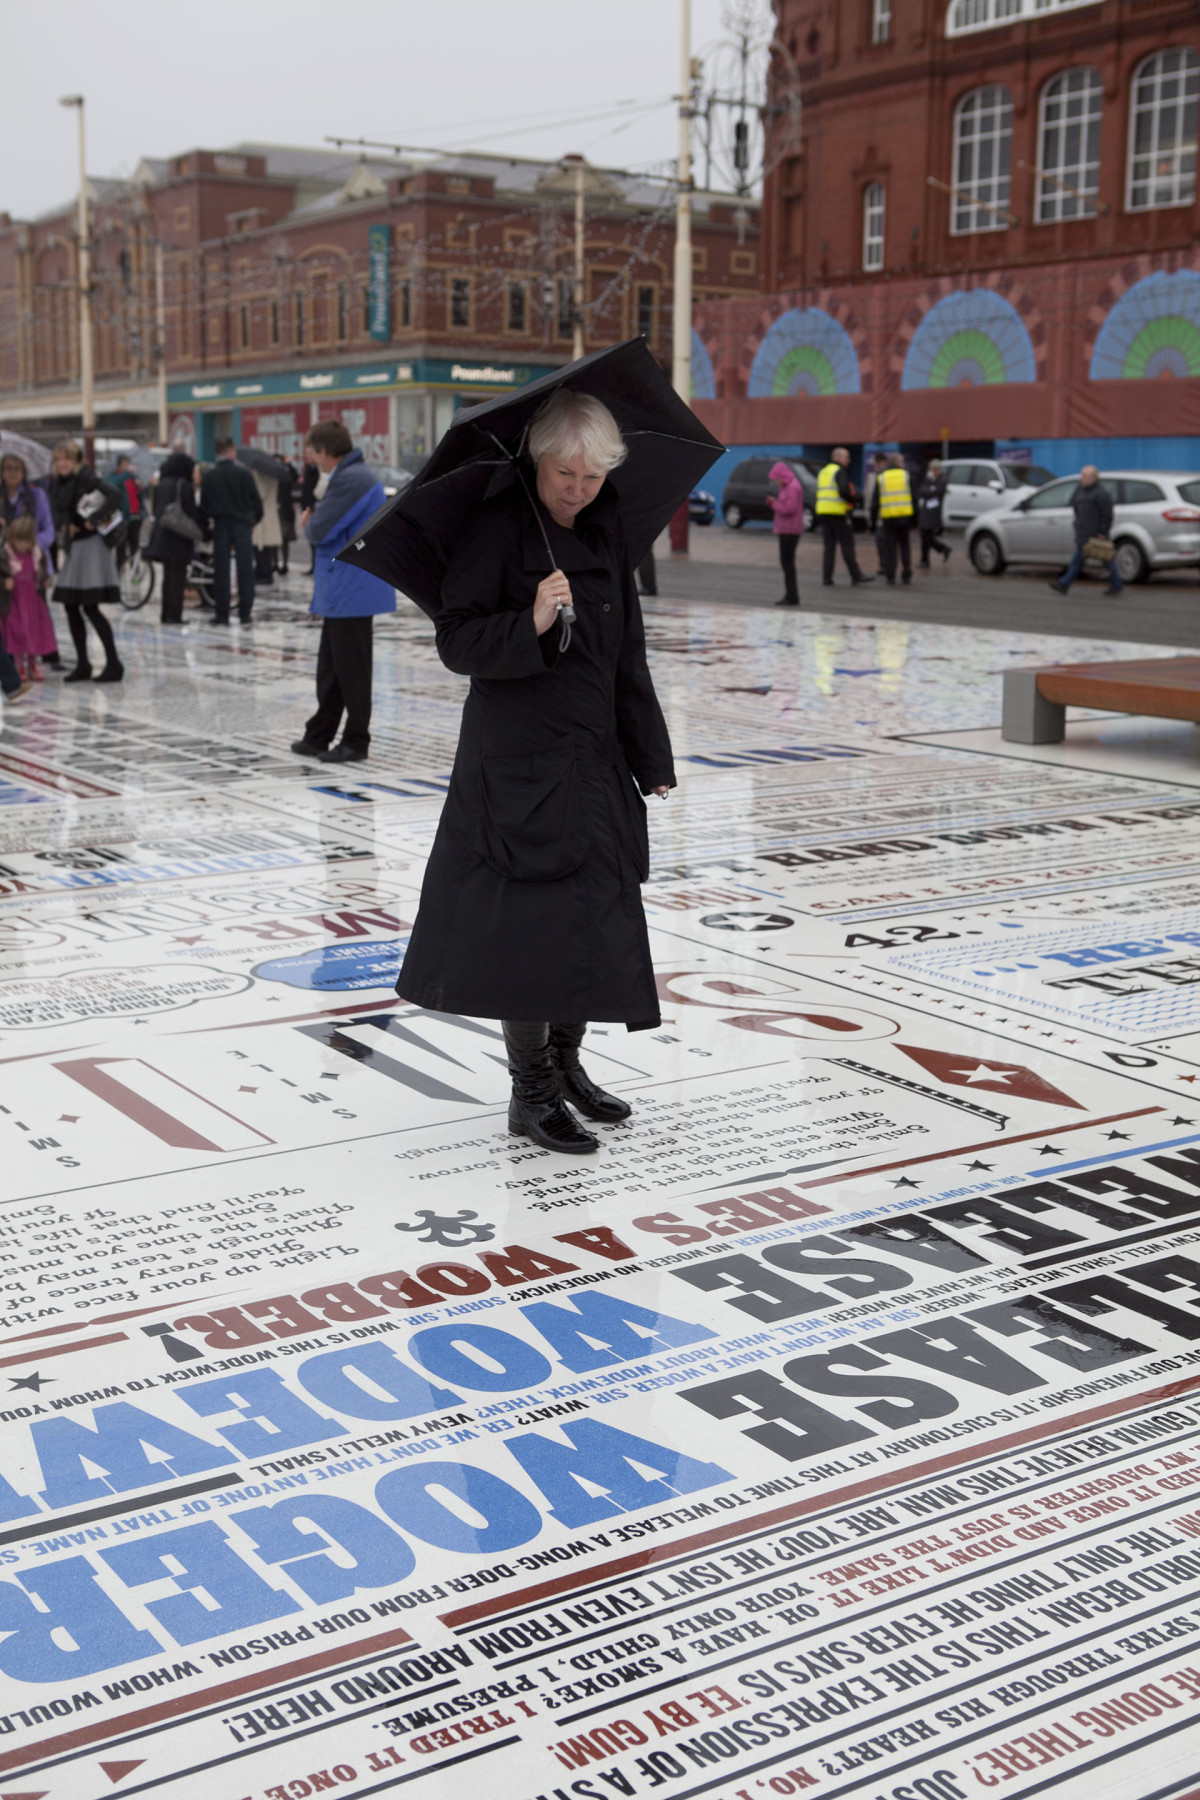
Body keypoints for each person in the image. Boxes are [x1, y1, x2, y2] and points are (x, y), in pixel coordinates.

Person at [396, 387, 674, 1156]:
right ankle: (531, 1093)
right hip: (517, 764)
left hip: (593, 757)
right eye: (565, 476)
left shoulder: (607, 525)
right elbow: (457, 643)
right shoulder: (495, 526)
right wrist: (531, 622)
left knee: (590, 917)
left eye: (591, 477)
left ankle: (567, 1066)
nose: (578, 491)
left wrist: (648, 753)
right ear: (538, 459)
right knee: (530, 930)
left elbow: (628, 655)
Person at [290, 419, 391, 765]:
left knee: (352, 671)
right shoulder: (350, 477)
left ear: (325, 451)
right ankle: (319, 734)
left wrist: (309, 521)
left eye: (313, 453)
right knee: (332, 669)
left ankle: (356, 740)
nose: (312, 460)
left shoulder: (351, 480)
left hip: (352, 588)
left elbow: (319, 529)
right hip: (345, 587)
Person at [49, 439, 124, 683]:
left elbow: (115, 495)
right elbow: (61, 510)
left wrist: (94, 518)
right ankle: (83, 663)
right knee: (71, 606)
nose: (62, 463)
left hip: (91, 547)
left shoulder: (86, 479)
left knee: (89, 606)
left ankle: (113, 663)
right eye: (58, 459)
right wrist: (66, 525)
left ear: (76, 460)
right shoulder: (60, 483)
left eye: (67, 458)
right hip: (75, 548)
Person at [199, 438, 261, 623]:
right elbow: (258, 505)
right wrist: (251, 522)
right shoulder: (244, 474)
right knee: (245, 570)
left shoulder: (210, 476)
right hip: (242, 525)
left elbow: (203, 507)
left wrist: (207, 532)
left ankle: (222, 613)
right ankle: (245, 612)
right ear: (231, 451)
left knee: (221, 570)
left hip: (221, 525)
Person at [146, 451, 208, 624]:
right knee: (178, 578)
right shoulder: (183, 484)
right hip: (178, 537)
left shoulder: (162, 484)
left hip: (162, 535)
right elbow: (192, 512)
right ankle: (175, 616)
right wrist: (204, 531)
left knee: (168, 578)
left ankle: (166, 614)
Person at [1049, 466, 1123, 597]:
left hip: (1095, 535)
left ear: (1092, 478)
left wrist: (1102, 532)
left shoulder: (1101, 494)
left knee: (1104, 560)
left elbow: (1107, 515)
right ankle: (1064, 584)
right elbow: (1077, 510)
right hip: (1083, 533)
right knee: (1082, 561)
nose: (1081, 478)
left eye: (1084, 476)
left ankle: (1064, 584)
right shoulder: (1081, 492)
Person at [1, 515, 57, 680]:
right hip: (15, 602)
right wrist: (4, 582)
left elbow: (42, 573)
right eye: (19, 540)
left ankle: (33, 664)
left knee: (34, 632)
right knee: (18, 633)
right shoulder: (5, 556)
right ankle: (19, 666)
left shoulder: (36, 556)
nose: (23, 545)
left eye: (26, 541)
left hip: (32, 602)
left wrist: (45, 580)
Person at [816, 448, 872, 587]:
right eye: (847, 457)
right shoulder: (839, 471)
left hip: (824, 512)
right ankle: (856, 575)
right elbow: (844, 491)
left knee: (829, 547)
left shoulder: (823, 471)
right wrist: (856, 499)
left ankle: (827, 577)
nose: (849, 461)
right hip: (838, 513)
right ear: (839, 458)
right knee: (847, 545)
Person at [871, 451, 915, 585]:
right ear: (899, 463)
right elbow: (914, 498)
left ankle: (890, 575)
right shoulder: (906, 476)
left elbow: (875, 502)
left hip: (888, 518)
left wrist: (873, 522)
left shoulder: (882, 477)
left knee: (890, 549)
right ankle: (906, 573)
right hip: (904, 518)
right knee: (905, 547)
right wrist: (915, 520)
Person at [1, 454, 55, 557]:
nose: (12, 473)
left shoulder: (37, 495)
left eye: (17, 468)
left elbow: (49, 530)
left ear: (24, 473)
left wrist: (29, 543)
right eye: (8, 468)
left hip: (33, 557)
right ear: (2, 473)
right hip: (4, 559)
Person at [767, 459, 805, 606]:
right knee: (786, 563)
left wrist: (774, 503)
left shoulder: (792, 487)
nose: (775, 481)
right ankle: (790, 594)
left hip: (790, 530)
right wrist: (776, 501)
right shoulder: (787, 486)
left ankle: (792, 595)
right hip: (785, 528)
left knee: (787, 562)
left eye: (776, 477)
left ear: (782, 475)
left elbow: (789, 509)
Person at [917, 459, 951, 567]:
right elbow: (922, 490)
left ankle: (925, 560)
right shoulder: (929, 479)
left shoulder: (942, 480)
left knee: (926, 536)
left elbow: (937, 492)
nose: (933, 472)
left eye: (935, 470)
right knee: (925, 536)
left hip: (934, 513)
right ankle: (943, 549)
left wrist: (930, 491)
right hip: (926, 510)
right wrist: (930, 490)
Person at [111, 454, 144, 568]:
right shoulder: (116, 477)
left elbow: (140, 496)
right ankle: (119, 572)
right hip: (122, 518)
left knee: (134, 546)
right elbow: (112, 484)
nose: (128, 467)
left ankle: (135, 571)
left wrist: (139, 487)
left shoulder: (133, 478)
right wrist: (126, 474)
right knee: (121, 547)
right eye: (125, 465)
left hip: (135, 516)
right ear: (120, 466)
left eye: (128, 464)